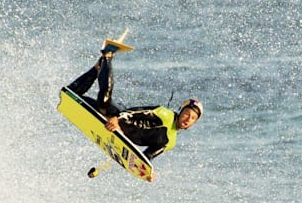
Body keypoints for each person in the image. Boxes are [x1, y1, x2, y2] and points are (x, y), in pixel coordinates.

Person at [67, 39, 202, 162]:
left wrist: (147, 172)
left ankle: (98, 68)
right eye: (187, 114)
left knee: (73, 94)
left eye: (192, 118)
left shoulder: (170, 142)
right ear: (181, 111)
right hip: (117, 115)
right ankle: (108, 55)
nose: (188, 119)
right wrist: (117, 119)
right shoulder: (165, 114)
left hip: (118, 127)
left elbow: (147, 156)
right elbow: (135, 112)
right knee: (103, 101)